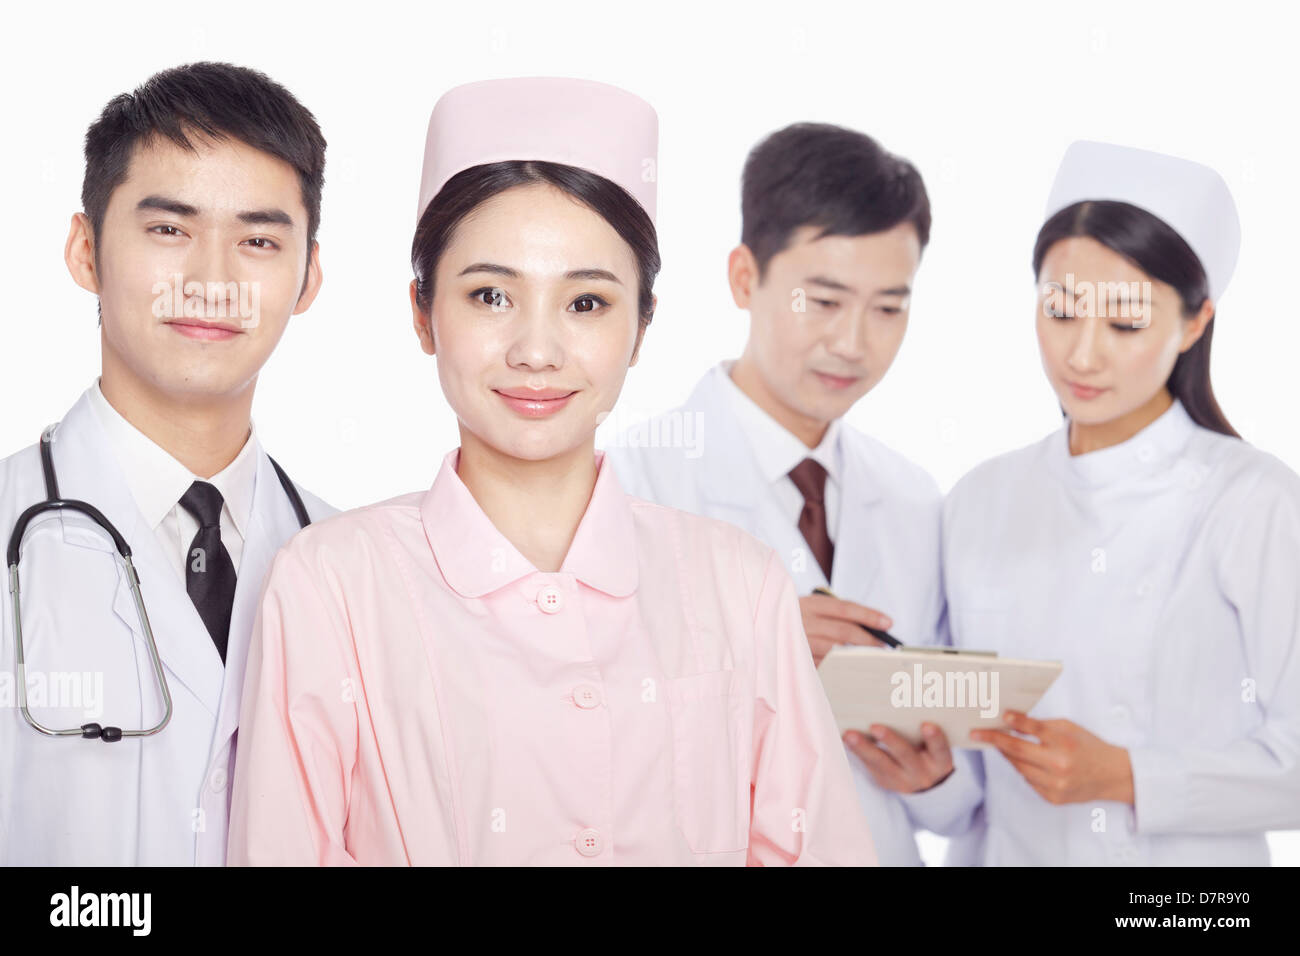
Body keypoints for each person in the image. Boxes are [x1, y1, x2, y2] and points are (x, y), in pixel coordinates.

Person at [227, 77, 874, 866]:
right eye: (492, 295)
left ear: (642, 327)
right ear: (423, 313)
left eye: (587, 304)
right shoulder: (330, 585)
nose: (537, 350)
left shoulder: (740, 585)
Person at [866, 140, 1300, 865]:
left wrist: (1129, 776)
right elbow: (967, 784)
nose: (1082, 355)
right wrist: (932, 776)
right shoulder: (981, 499)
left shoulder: (1254, 502)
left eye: (1125, 323)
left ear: (1195, 324)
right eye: (1061, 311)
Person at [0, 62, 335, 866]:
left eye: (257, 241)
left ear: (307, 278)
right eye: (168, 230)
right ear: (86, 252)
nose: (214, 281)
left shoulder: (346, 557)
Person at [605, 123, 943, 865]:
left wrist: (934, 777)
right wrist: (758, 646)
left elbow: (960, 796)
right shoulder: (628, 480)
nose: (854, 342)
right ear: (744, 278)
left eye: (889, 307)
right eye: (822, 300)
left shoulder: (916, 502)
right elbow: (575, 740)